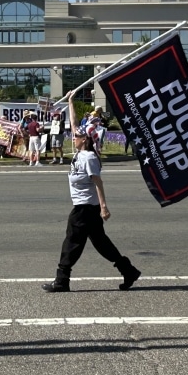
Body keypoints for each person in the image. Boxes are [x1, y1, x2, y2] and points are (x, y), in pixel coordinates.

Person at [41, 126, 141, 293]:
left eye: (77, 136)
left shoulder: (88, 158)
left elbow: (98, 183)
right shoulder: (80, 153)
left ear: (85, 139)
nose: (73, 138)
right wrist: (71, 101)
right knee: (101, 243)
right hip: (86, 208)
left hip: (85, 208)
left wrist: (103, 207)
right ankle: (128, 271)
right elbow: (74, 124)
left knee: (72, 242)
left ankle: (62, 280)